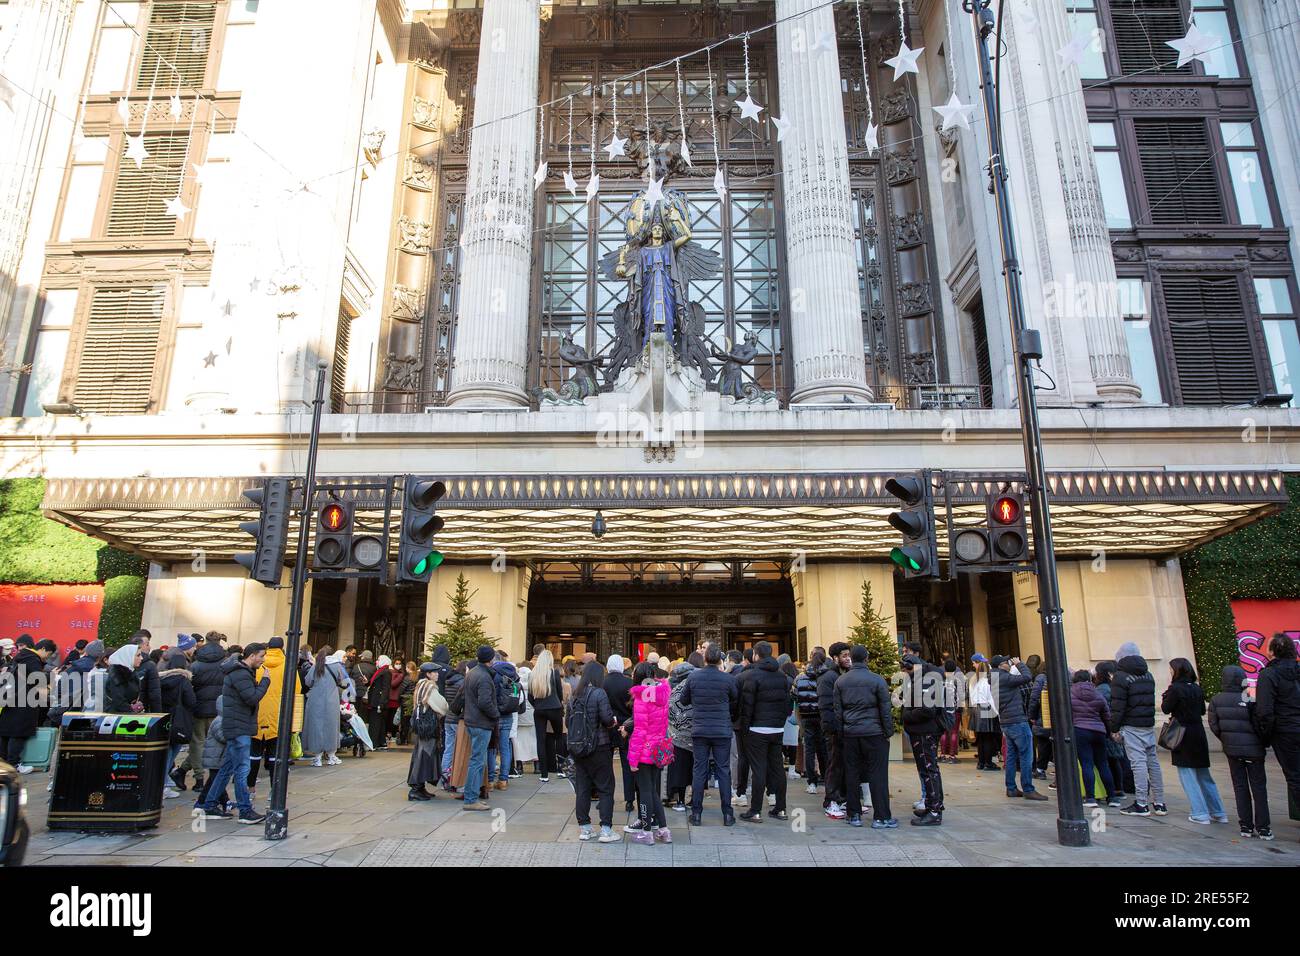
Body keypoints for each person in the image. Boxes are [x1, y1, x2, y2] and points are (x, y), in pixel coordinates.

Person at [197, 643, 270, 824]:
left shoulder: (241, 672)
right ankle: (245, 810)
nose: (263, 660)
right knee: (241, 770)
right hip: (239, 728)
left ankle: (209, 805)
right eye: (261, 656)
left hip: (238, 725)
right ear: (252, 656)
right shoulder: (240, 673)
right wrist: (265, 682)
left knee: (227, 769)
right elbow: (252, 697)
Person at [833, 644, 897, 829]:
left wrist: (842, 732)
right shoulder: (877, 680)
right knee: (878, 774)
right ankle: (882, 816)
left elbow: (838, 711)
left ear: (852, 658)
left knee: (852, 773)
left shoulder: (841, 681)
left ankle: (854, 814)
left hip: (851, 733)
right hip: (874, 732)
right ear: (867, 658)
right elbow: (885, 709)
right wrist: (888, 731)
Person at [1208, 664, 1271, 840]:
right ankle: (1264, 827)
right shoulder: (1248, 697)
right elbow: (1261, 723)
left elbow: (1214, 725)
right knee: (1259, 788)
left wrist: (1226, 740)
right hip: (1254, 750)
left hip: (1232, 750)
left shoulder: (1216, 700)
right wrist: (1263, 742)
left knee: (1240, 787)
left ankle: (1246, 826)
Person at [1161, 658, 1226, 825]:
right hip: (1198, 732)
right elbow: (1202, 710)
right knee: (1204, 774)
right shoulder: (1197, 688)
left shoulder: (1175, 689)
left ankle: (1200, 812)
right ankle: (1218, 811)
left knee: (1187, 774)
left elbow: (1166, 708)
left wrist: (1167, 695)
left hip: (1182, 732)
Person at [680, 642, 739, 827]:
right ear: (720, 659)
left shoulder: (694, 677)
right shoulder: (727, 679)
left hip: (700, 729)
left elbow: (683, 700)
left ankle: (696, 813)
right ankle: (727, 814)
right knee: (723, 770)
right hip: (721, 729)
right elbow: (735, 700)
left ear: (705, 658)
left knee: (699, 770)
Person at [736, 641, 792, 822]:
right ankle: (781, 808)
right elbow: (787, 703)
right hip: (776, 728)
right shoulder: (782, 676)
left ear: (755, 655)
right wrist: (780, 722)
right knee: (777, 768)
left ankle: (755, 810)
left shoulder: (752, 676)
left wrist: (745, 728)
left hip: (757, 728)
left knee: (759, 768)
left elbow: (747, 706)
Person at [1109, 641, 1166, 816]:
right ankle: (1159, 801)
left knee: (1138, 763)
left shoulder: (1121, 677)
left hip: (1132, 725)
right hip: (1148, 724)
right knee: (1153, 763)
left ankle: (1141, 802)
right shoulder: (1148, 675)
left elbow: (1118, 706)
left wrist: (1114, 728)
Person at [566, 660, 619, 842]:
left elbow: (568, 722)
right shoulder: (599, 693)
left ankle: (585, 828)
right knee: (605, 787)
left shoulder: (575, 694)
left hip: (578, 748)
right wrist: (613, 721)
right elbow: (606, 719)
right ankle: (605, 829)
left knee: (583, 788)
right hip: (599, 746)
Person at [623, 660, 672, 844]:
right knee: (652, 791)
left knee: (645, 791)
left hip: (644, 750)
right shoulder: (662, 694)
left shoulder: (642, 697)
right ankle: (664, 830)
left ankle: (646, 832)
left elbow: (640, 731)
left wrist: (632, 758)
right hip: (658, 748)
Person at [1255, 633, 1300, 823]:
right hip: (1289, 727)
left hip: (1285, 731)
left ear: (1273, 652)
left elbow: (1264, 711)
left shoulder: (1269, 674)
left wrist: (1265, 735)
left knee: (1295, 777)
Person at [250, 637, 302, 793]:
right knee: (275, 755)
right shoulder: (288, 665)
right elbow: (297, 690)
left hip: (257, 713)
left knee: (253, 754)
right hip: (279, 715)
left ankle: (250, 788)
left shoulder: (257, 664)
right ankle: (276, 791)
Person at [900, 644, 945, 826]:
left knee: (928, 769)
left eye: (904, 670)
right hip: (921, 730)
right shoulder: (921, 679)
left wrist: (907, 715)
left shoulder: (925, 681)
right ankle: (932, 805)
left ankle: (934, 811)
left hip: (925, 731)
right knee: (927, 769)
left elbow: (928, 709)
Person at [991, 655, 1046, 801]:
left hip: (1007, 722)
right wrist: (1020, 664)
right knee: (1026, 755)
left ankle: (1011, 788)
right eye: (1008, 662)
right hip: (1017, 721)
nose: (1010, 664)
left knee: (1011, 756)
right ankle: (1028, 788)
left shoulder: (995, 678)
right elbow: (1027, 677)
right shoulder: (1004, 678)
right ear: (1002, 665)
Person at [454, 645, 500, 811]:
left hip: (471, 721)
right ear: (491, 659)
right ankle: (471, 798)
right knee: (477, 761)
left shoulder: (472, 673)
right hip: (481, 723)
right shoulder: (484, 677)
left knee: (475, 760)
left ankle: (470, 795)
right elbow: (484, 702)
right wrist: (496, 714)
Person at [181, 632, 226, 792]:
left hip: (199, 706)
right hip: (218, 708)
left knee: (197, 743)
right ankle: (187, 773)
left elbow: (189, 685)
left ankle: (198, 778)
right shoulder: (225, 662)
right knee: (212, 743)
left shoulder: (196, 663)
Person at [0, 636, 53, 772]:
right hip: (24, 701)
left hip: (12, 699)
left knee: (6, 733)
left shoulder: (22, 657)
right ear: (43, 649)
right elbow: (37, 678)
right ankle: (13, 765)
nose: (47, 657)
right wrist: (50, 676)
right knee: (18, 733)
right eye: (48, 654)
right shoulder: (32, 659)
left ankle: (4, 764)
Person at [1069, 670, 1121, 808]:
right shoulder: (1097, 693)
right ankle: (1112, 797)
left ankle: (1090, 797)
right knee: (1103, 764)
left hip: (1079, 730)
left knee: (1087, 764)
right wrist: (1109, 732)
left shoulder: (1070, 693)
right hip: (1098, 731)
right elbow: (1106, 715)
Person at [817, 642, 852, 819]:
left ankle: (842, 798)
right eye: (844, 656)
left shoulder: (844, 674)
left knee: (844, 765)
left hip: (846, 728)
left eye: (849, 655)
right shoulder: (828, 677)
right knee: (834, 764)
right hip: (834, 729)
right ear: (835, 658)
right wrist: (832, 728)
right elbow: (825, 705)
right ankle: (831, 800)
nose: (848, 658)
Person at [407, 663, 448, 801]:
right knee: (425, 755)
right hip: (428, 726)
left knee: (421, 753)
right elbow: (442, 705)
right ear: (428, 674)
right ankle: (416, 789)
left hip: (421, 725)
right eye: (434, 672)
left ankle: (420, 788)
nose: (437, 674)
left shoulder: (420, 685)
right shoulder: (429, 687)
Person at [159, 649, 196, 799]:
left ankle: (161, 784)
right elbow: (191, 701)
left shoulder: (161, 680)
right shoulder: (183, 680)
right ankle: (164, 786)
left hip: (164, 720)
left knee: (164, 753)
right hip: (179, 722)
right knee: (171, 754)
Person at [303, 646, 349, 766]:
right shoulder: (337, 666)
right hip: (331, 699)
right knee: (331, 725)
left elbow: (308, 681)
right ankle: (331, 755)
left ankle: (317, 757)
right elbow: (342, 681)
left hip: (315, 699)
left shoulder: (316, 665)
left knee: (316, 726)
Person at [1093, 661, 1134, 798]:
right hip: (1114, 727)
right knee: (1115, 759)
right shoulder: (1116, 687)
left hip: (1106, 728)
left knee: (1109, 761)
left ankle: (1113, 790)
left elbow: (1100, 710)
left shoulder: (1102, 690)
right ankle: (1119, 788)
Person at [603, 653, 636, 812]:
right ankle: (629, 800)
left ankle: (605, 797)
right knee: (627, 764)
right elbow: (634, 707)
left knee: (605, 764)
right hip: (626, 728)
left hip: (607, 727)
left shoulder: (602, 683)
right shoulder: (629, 683)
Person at [665, 656, 698, 811]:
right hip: (697, 734)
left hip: (677, 736)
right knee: (696, 768)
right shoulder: (697, 686)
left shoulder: (674, 689)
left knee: (679, 769)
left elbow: (669, 712)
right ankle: (695, 800)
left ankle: (680, 802)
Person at [528, 649, 565, 783]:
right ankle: (561, 769)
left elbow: (530, 696)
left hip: (539, 709)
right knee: (559, 737)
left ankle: (544, 773)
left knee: (540, 740)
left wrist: (537, 705)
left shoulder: (533, 674)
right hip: (554, 707)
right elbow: (560, 693)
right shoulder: (554, 673)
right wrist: (560, 704)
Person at [793, 650, 827, 795]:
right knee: (823, 748)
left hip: (806, 716)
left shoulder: (800, 677)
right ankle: (825, 777)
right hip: (821, 716)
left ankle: (811, 781)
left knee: (809, 748)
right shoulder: (826, 676)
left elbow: (794, 695)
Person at [487, 651, 521, 790]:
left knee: (492, 748)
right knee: (505, 747)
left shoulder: (494, 674)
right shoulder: (513, 673)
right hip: (509, 714)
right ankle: (503, 780)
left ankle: (489, 780)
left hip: (496, 715)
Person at [969, 656, 1001, 771]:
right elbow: (991, 699)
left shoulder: (975, 680)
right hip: (986, 708)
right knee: (988, 738)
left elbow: (972, 698)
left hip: (976, 709)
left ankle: (981, 762)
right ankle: (988, 763)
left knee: (981, 739)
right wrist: (998, 713)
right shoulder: (987, 681)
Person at [439, 661, 467, 789]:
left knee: (449, 747)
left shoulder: (448, 681)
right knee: (459, 749)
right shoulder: (462, 683)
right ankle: (455, 776)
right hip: (457, 720)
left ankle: (445, 773)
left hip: (448, 718)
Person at [104, 643, 144, 713]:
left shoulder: (131, 672)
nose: (141, 658)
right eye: (138, 655)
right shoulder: (117, 674)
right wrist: (132, 709)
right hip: (117, 718)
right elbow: (118, 701)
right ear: (128, 656)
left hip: (125, 716)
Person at [130, 631, 162, 712]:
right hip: (140, 711)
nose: (150, 647)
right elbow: (154, 694)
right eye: (147, 644)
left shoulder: (149, 665)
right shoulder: (150, 665)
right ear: (138, 646)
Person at [366, 655, 393, 752]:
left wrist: (381, 702)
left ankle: (374, 743)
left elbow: (385, 688)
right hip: (376, 699)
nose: (377, 661)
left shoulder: (386, 672)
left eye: (378, 660)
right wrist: (367, 683)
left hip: (378, 701)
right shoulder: (381, 670)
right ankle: (381, 742)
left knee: (375, 723)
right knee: (380, 722)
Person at [514, 664, 538, 773]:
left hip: (520, 717)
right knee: (534, 740)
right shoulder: (534, 686)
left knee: (518, 742)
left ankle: (519, 766)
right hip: (532, 717)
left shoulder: (516, 686)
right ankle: (537, 765)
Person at [939, 659, 963, 763]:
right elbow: (961, 695)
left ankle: (942, 754)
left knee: (943, 732)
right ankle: (952, 756)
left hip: (942, 709)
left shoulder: (941, 679)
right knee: (954, 732)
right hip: (954, 708)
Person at [398, 660, 419, 746]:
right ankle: (410, 739)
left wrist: (399, 698)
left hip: (405, 701)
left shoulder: (407, 678)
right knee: (411, 720)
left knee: (404, 721)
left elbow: (402, 689)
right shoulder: (417, 677)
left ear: (408, 668)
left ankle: (404, 739)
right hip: (413, 701)